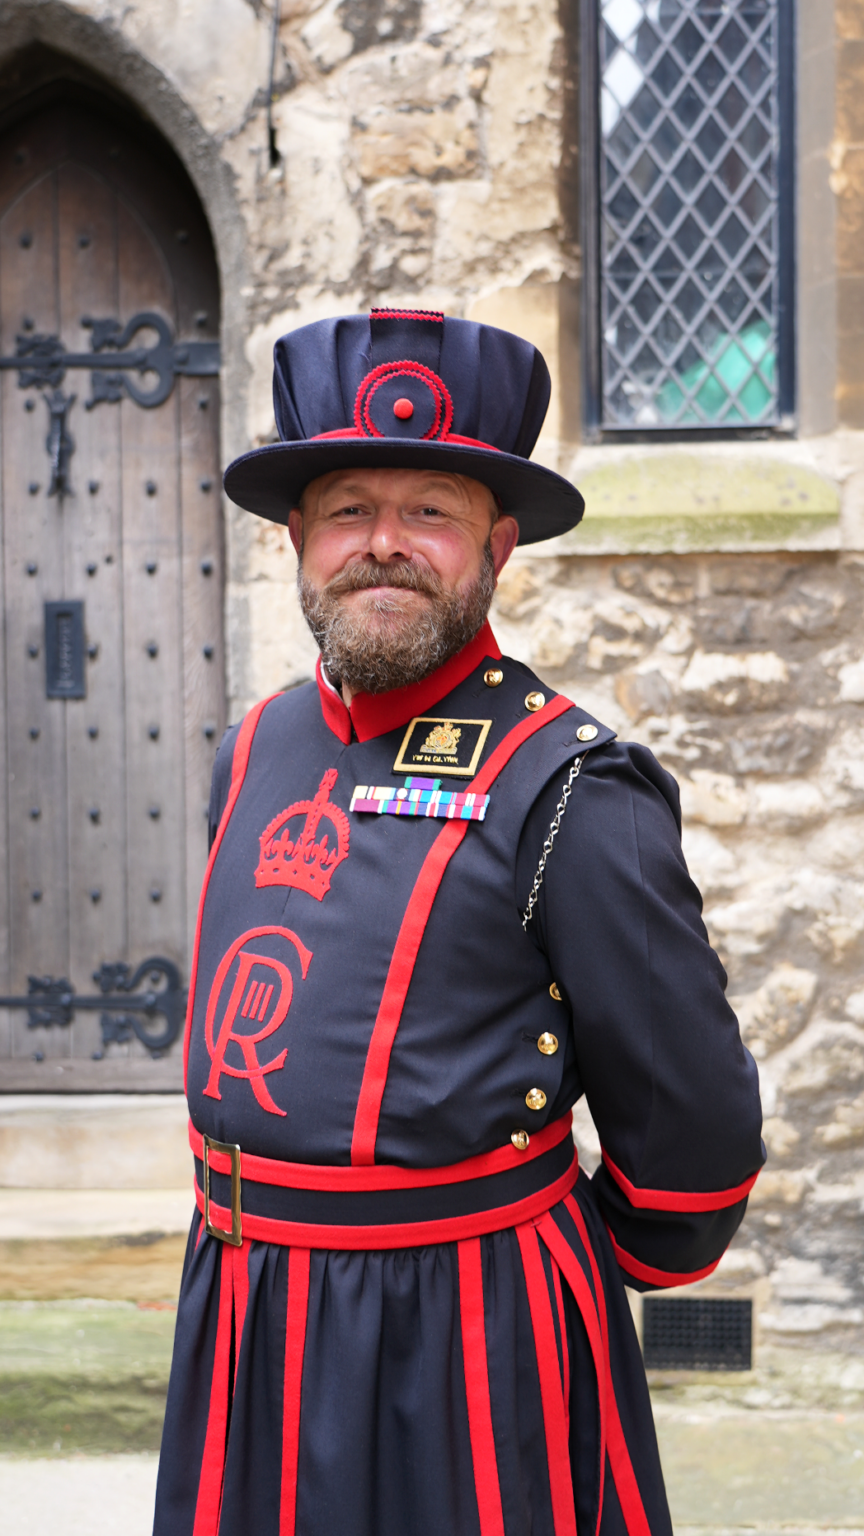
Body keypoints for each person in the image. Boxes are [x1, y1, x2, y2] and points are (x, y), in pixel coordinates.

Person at [154, 308, 764, 1536]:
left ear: (497, 545)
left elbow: (692, 1118)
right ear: (296, 540)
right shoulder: (258, 744)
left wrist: (549, 1260)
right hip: (244, 1309)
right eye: (347, 510)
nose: (383, 545)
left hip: (465, 1334)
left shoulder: (576, 787)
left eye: (429, 510)